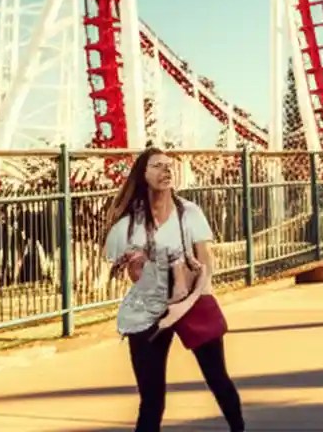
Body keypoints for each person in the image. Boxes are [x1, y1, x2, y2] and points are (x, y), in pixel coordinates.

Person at [103, 148, 244, 432]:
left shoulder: (190, 213)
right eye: (157, 166)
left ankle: (238, 428)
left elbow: (205, 264)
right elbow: (132, 274)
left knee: (218, 379)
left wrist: (186, 299)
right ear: (143, 175)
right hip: (150, 307)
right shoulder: (128, 226)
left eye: (169, 166)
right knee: (152, 399)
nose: (165, 171)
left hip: (192, 300)